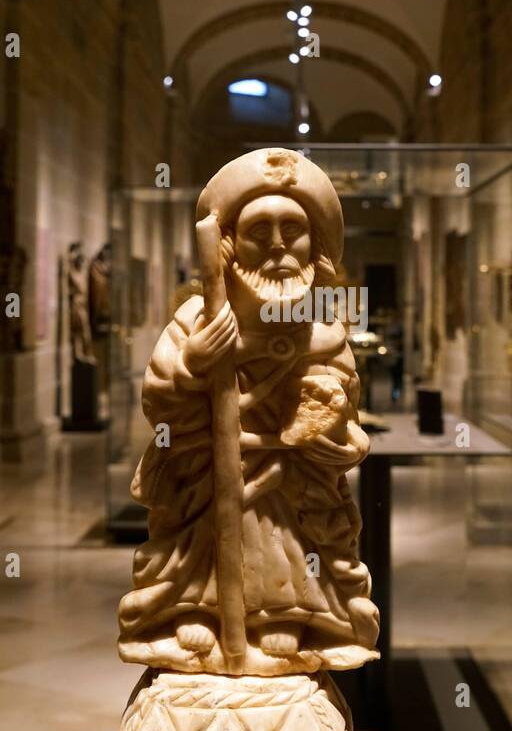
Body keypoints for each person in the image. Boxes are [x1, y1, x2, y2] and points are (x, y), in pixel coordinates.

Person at [117, 149, 379, 675]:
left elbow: (343, 403)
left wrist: (323, 422)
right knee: (206, 531)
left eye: (293, 230)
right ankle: (198, 605)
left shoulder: (322, 329)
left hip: (288, 476)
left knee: (285, 530)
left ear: (315, 245)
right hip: (209, 473)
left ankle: (287, 611)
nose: (279, 246)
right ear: (230, 244)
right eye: (261, 231)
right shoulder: (198, 317)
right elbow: (159, 399)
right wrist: (194, 365)